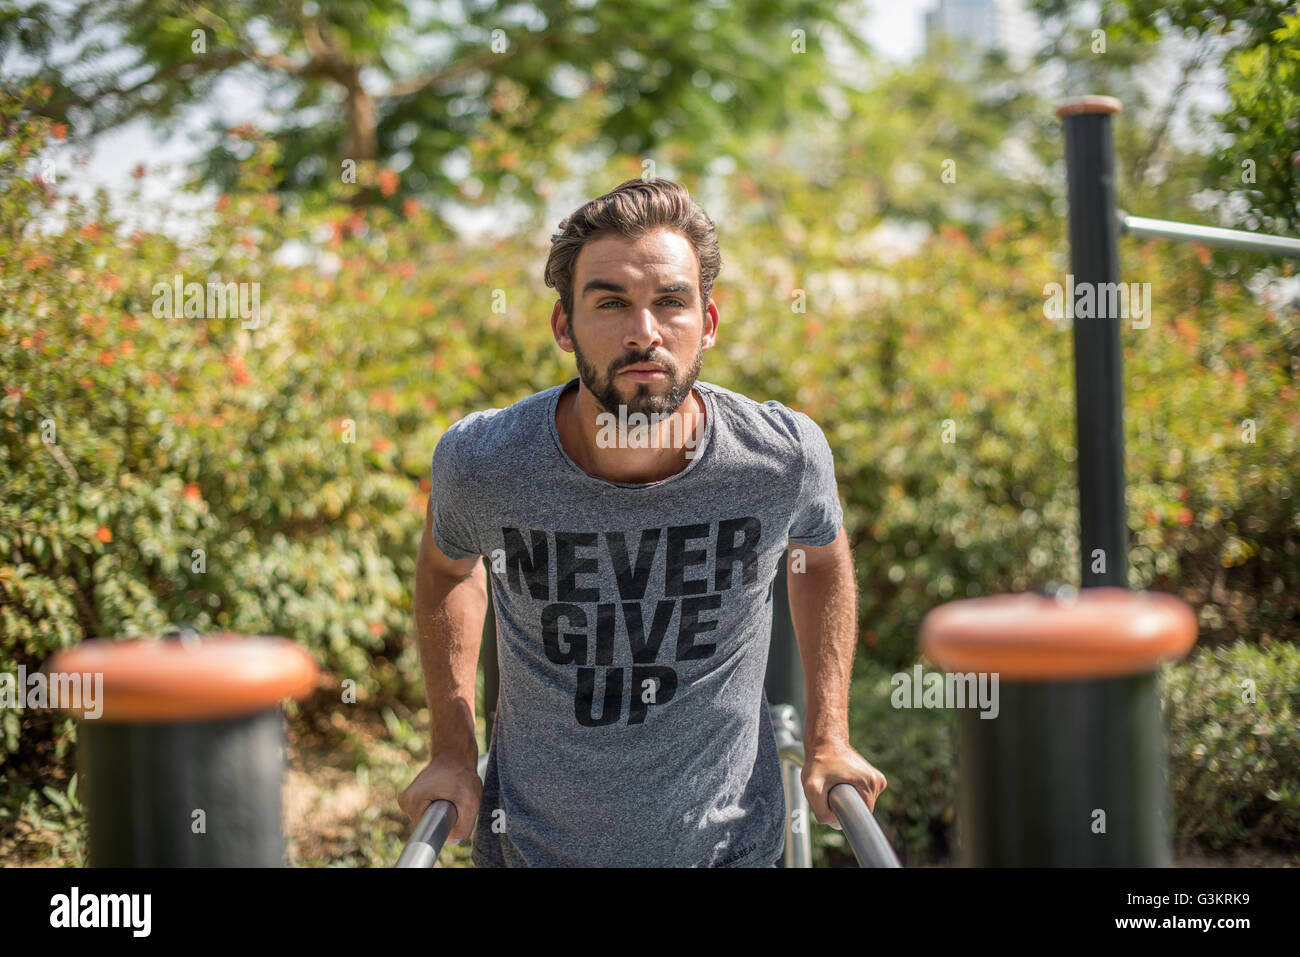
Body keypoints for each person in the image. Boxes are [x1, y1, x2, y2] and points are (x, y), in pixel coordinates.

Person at [398, 177, 887, 867]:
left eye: (670, 301)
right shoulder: (485, 464)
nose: (644, 332)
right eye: (611, 302)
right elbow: (449, 568)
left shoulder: (779, 458)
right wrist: (452, 746)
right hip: (533, 851)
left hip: (732, 850)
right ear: (564, 324)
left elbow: (823, 556)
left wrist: (828, 735)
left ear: (707, 322)